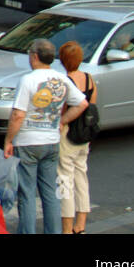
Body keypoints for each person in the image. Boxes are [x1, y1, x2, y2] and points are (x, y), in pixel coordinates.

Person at [3, 39, 88, 234]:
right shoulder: (61, 79)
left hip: (27, 142)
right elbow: (82, 104)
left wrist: (8, 140)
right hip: (51, 141)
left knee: (27, 193)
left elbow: (18, 115)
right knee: (50, 193)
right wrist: (61, 121)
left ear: (34, 56)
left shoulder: (28, 80)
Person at [58, 41, 97, 234]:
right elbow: (92, 105)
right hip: (84, 134)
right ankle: (80, 225)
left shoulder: (66, 82)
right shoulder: (89, 79)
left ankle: (66, 228)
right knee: (81, 176)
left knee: (64, 179)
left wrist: (62, 122)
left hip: (68, 134)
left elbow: (62, 108)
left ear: (63, 60)